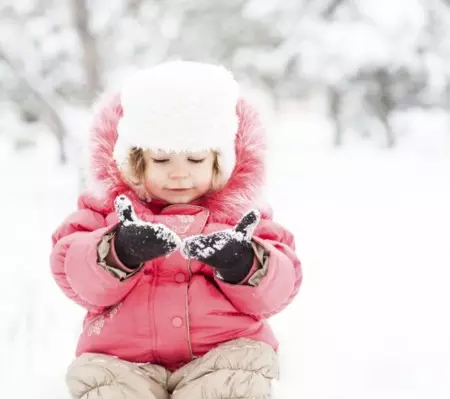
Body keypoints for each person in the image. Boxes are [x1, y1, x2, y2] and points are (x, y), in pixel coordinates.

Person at [50, 60, 302, 399]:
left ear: (220, 162)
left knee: (238, 379)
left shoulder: (242, 219)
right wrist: (118, 251)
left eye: (195, 160)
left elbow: (279, 286)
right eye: (162, 161)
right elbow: (73, 270)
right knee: (101, 385)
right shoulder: (106, 213)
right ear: (135, 161)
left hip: (220, 354)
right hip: (122, 360)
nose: (179, 174)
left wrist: (243, 263)